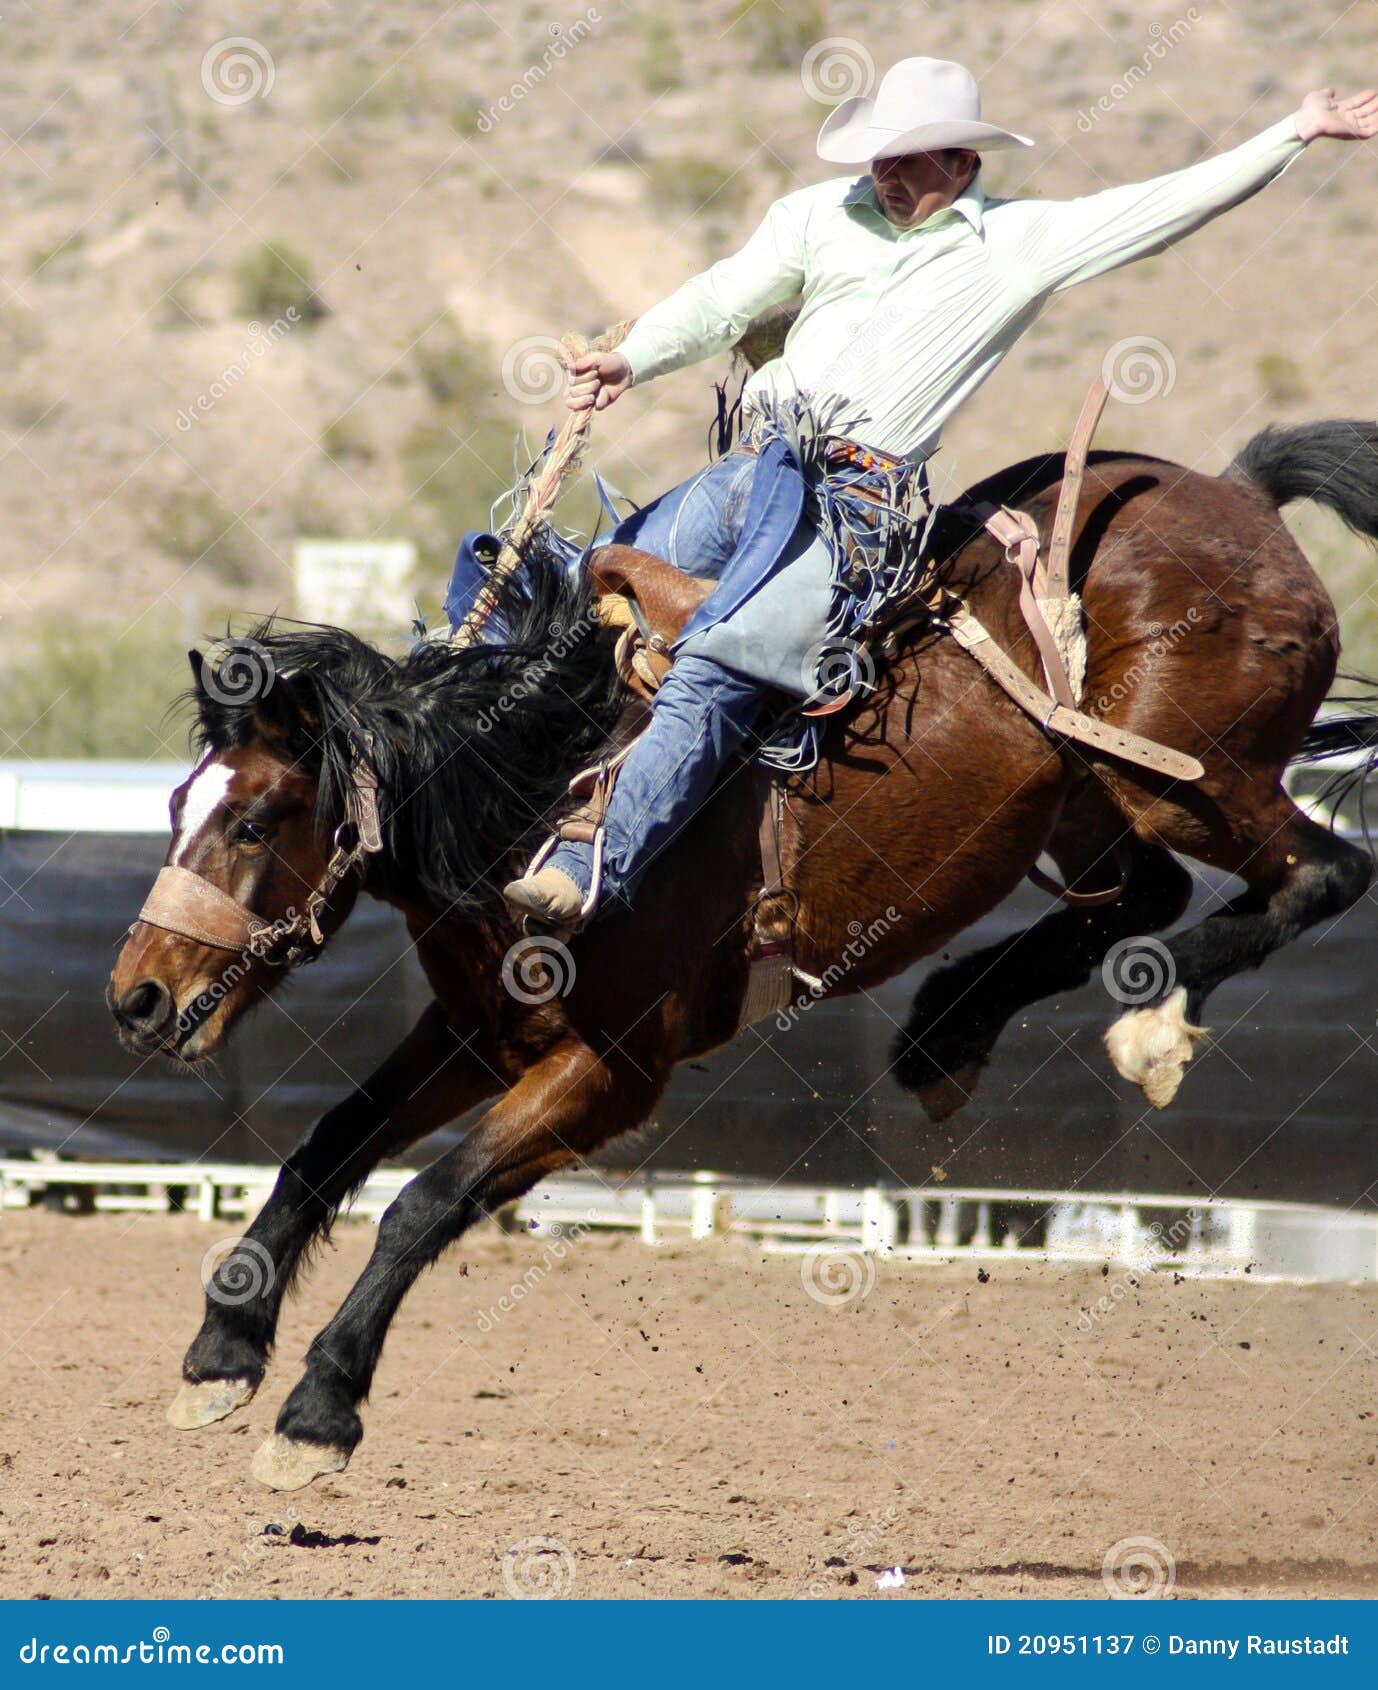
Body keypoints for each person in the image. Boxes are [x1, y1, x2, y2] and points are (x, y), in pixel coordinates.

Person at [500, 56, 1378, 930]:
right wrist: (632, 357)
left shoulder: (1019, 244)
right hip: (750, 471)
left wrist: (1293, 132)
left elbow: (1161, 206)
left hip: (846, 512)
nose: (885, 169)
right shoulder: (815, 215)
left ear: (963, 164)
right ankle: (483, 797)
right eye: (880, 152)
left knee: (726, 658)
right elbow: (722, 299)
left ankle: (589, 863)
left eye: (909, 157)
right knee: (567, 594)